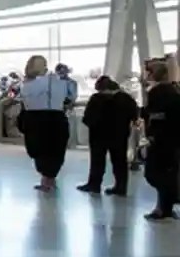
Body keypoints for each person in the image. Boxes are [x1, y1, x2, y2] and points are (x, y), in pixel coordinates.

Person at [19, 54, 77, 193]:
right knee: (39, 150)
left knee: (52, 150)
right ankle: (48, 178)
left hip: (49, 118)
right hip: (38, 119)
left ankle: (48, 179)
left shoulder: (54, 80)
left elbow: (69, 96)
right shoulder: (30, 82)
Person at [78, 75, 138, 197]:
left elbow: (87, 118)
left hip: (98, 135)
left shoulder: (96, 99)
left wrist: (93, 125)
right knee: (120, 161)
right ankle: (120, 187)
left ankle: (94, 185)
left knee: (97, 161)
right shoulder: (126, 98)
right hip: (120, 135)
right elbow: (134, 115)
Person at [143, 59, 180, 220]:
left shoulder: (157, 93)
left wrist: (151, 135)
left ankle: (162, 208)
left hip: (162, 138)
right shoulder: (173, 90)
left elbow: (155, 116)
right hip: (173, 138)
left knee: (156, 173)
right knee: (169, 172)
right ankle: (167, 206)